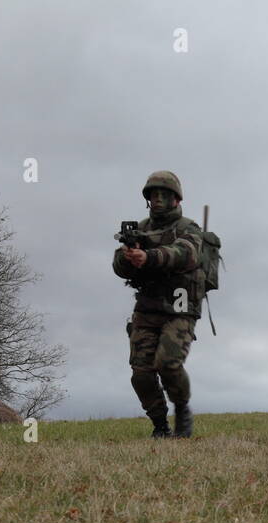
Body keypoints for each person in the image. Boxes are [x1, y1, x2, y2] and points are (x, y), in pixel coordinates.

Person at [112, 171, 205, 438]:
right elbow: (118, 267)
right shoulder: (140, 229)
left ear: (176, 199)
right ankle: (160, 425)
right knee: (141, 372)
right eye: (154, 195)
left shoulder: (189, 228)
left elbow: (185, 254)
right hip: (147, 307)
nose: (159, 200)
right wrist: (128, 257)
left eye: (165, 195)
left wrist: (149, 257)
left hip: (180, 306)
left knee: (168, 363)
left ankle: (182, 411)